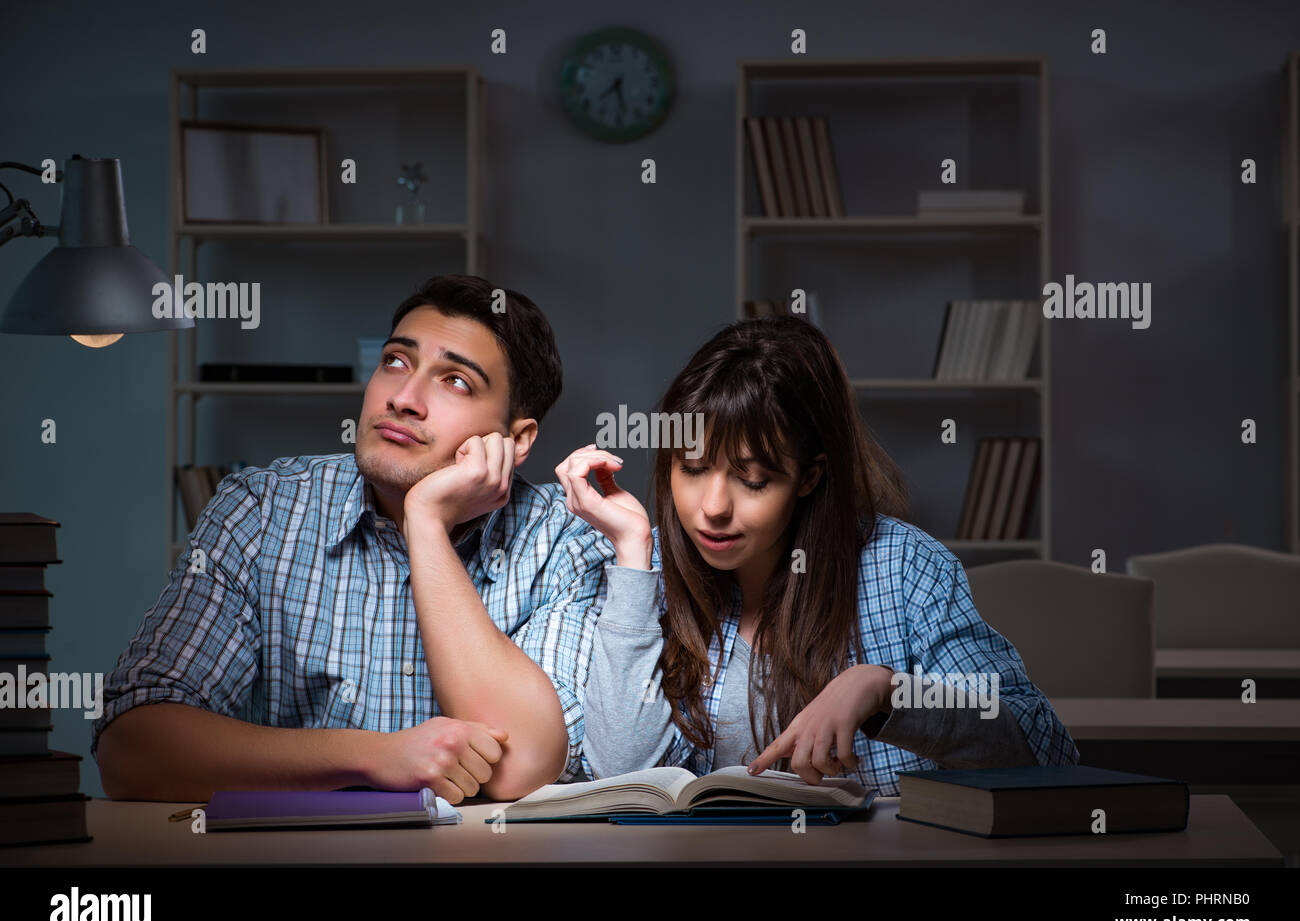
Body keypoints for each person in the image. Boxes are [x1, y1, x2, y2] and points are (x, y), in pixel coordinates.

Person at [94, 274, 614, 804]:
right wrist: (372, 757)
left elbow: (523, 764)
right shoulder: (262, 509)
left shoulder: (565, 538)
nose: (405, 398)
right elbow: (131, 751)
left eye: (455, 380)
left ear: (517, 439)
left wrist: (427, 525)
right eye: (396, 361)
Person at [556, 315, 1078, 796]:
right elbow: (628, 781)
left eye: (753, 479)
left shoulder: (903, 567)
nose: (712, 509)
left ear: (809, 476)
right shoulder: (646, 584)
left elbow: (1045, 755)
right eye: (691, 470)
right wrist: (631, 552)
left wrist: (886, 691)